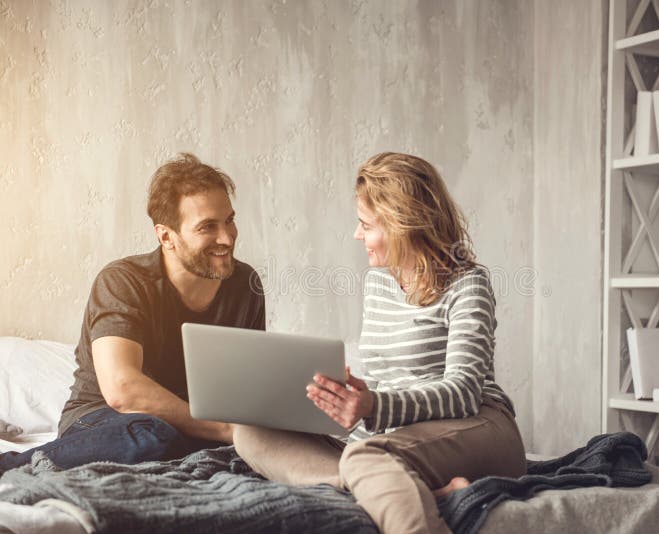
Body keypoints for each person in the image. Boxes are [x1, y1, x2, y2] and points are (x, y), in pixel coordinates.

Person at [233, 152, 525, 534]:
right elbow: (387, 379)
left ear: (402, 225)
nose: (357, 235)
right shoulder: (379, 283)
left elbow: (464, 393)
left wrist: (373, 406)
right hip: (397, 433)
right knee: (251, 432)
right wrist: (341, 402)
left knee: (366, 455)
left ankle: (381, 483)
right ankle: (414, 490)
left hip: (478, 425)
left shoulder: (467, 285)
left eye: (366, 225)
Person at [0, 153, 265, 472]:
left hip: (194, 425)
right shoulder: (122, 281)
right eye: (208, 227)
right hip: (107, 421)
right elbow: (123, 391)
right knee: (152, 438)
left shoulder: (244, 283)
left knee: (277, 442)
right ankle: (12, 464)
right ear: (166, 236)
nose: (227, 237)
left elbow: (247, 382)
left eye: (229, 220)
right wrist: (225, 430)